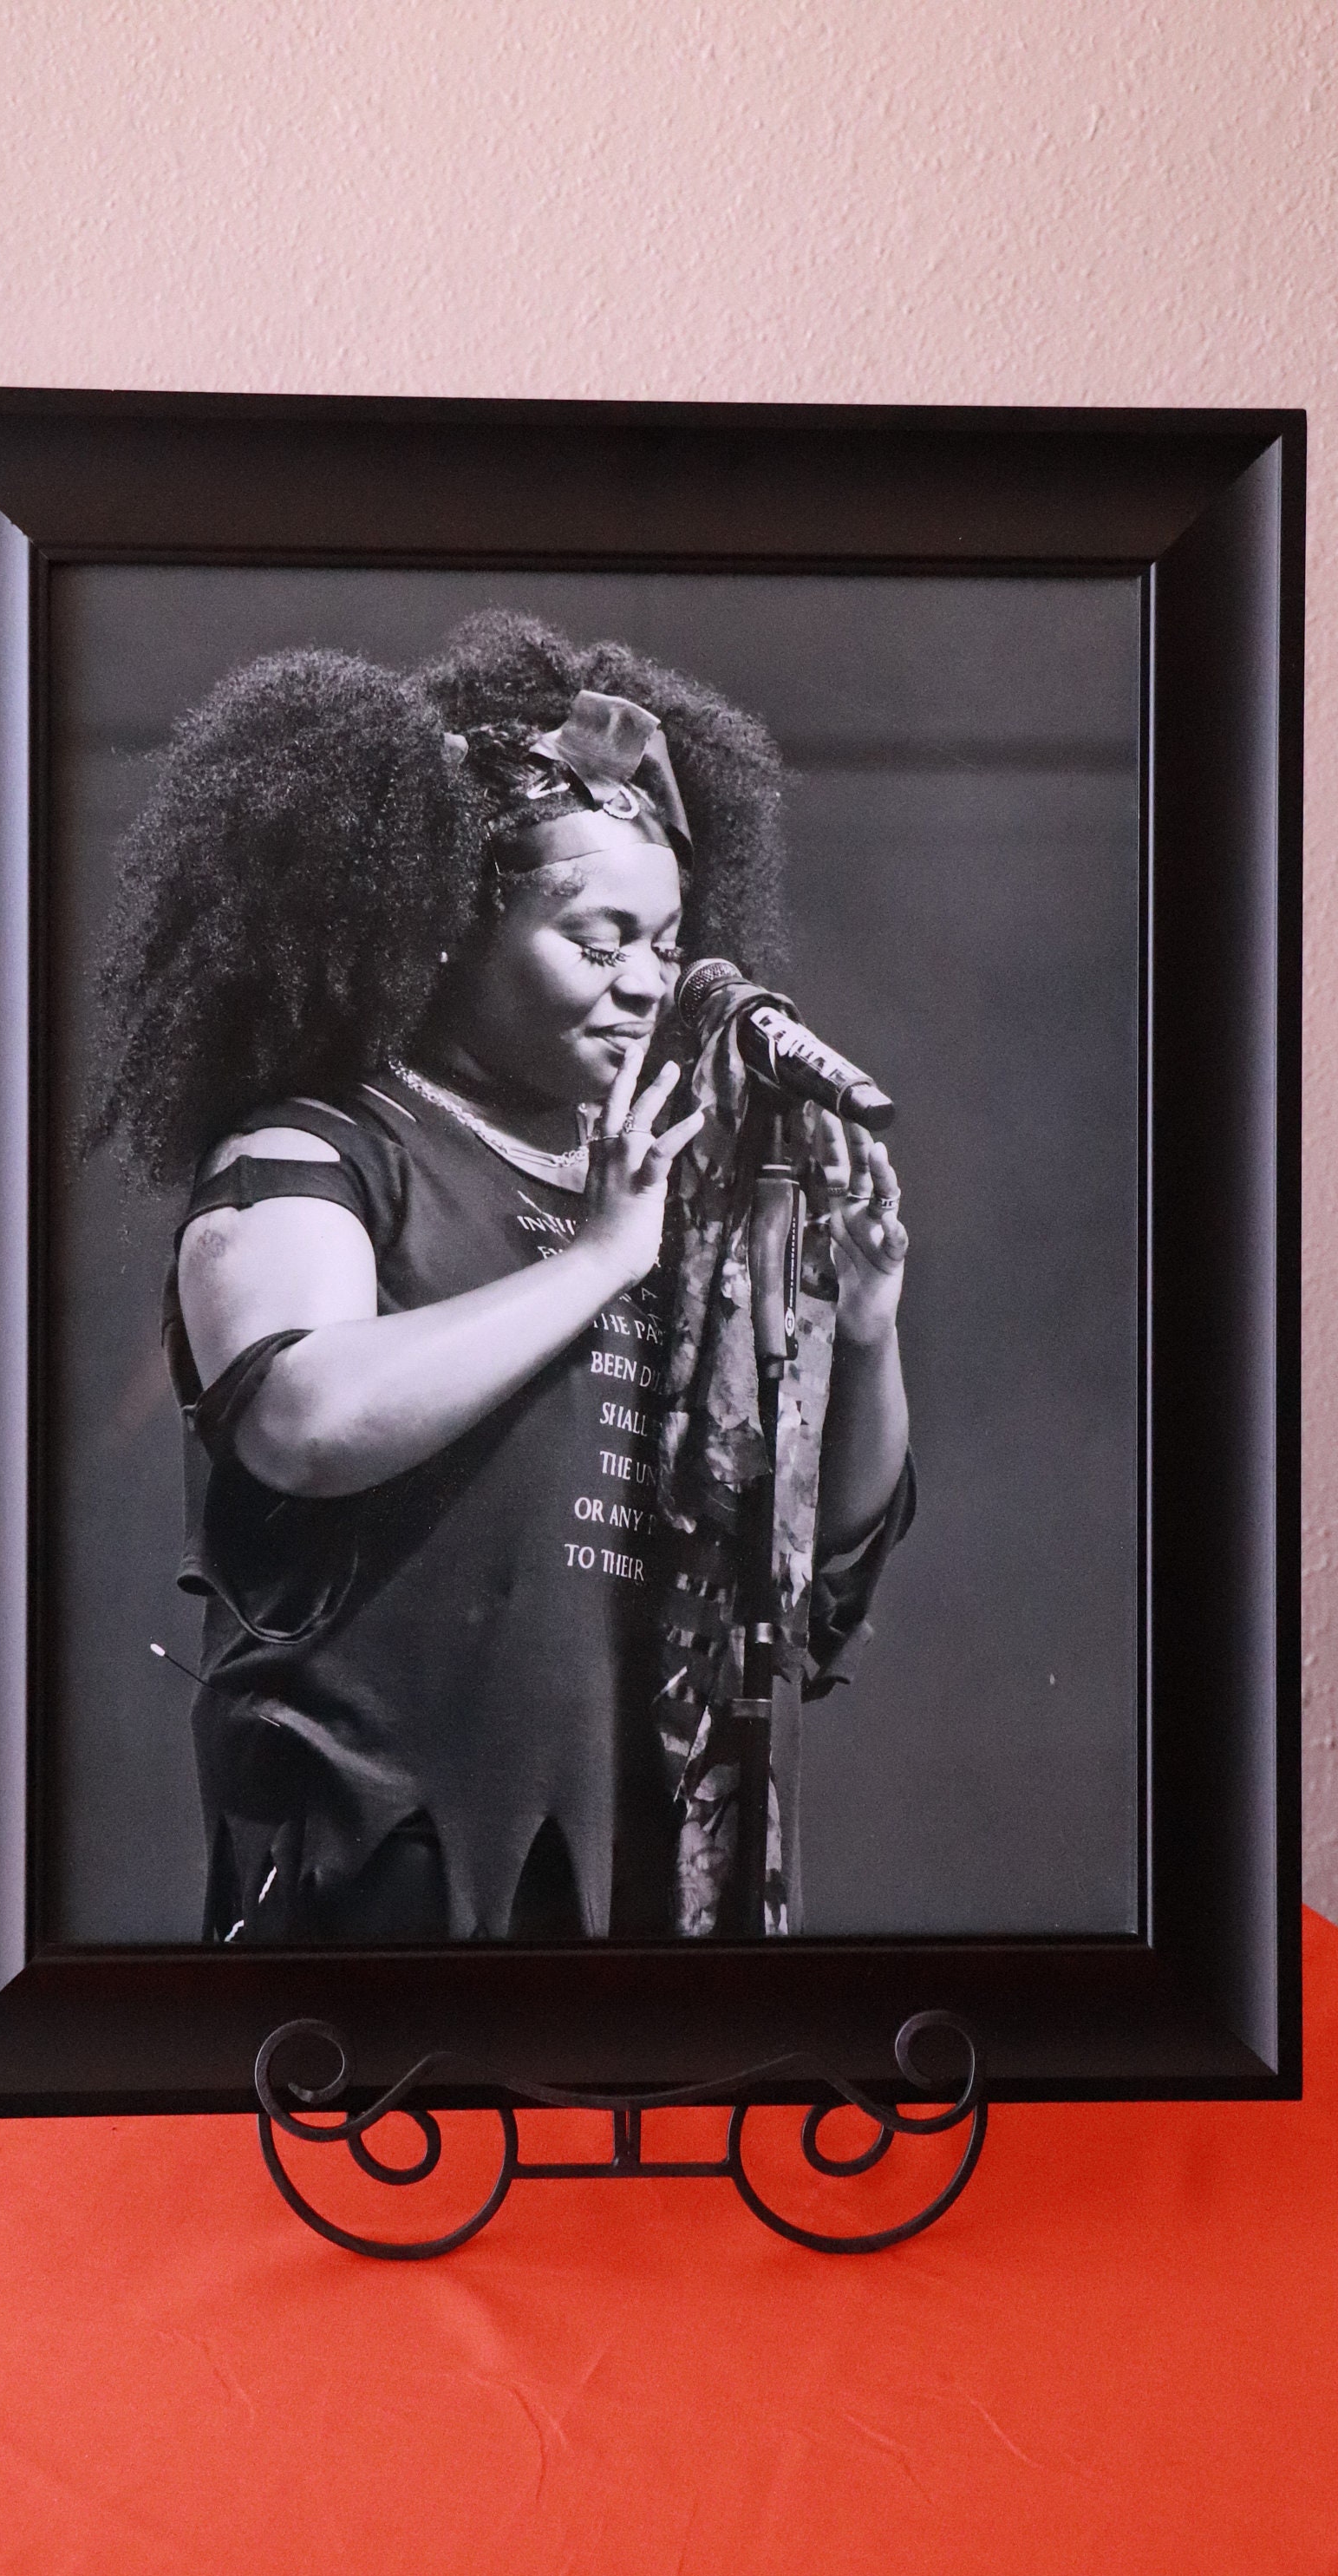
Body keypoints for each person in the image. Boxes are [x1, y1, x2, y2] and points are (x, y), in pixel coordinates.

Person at [89, 610, 911, 1946]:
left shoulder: (652, 1186)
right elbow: (302, 1417)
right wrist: (597, 1261)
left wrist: (864, 1332)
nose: (647, 986)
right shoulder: (316, 1150)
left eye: (666, 945)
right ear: (440, 933)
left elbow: (809, 1561)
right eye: (598, 941)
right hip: (387, 1884)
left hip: (635, 1885)